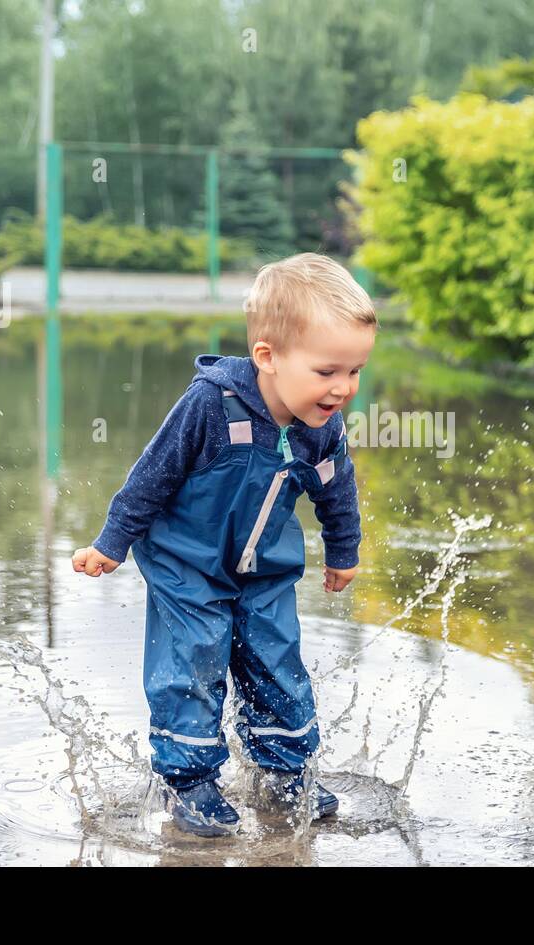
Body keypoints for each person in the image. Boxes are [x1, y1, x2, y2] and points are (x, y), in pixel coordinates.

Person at [71, 253, 376, 836]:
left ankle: (287, 772)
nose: (343, 388)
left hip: (264, 568)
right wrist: (113, 542)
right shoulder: (213, 404)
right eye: (327, 371)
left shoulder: (323, 428)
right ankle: (189, 783)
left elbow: (338, 493)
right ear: (268, 356)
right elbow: (153, 475)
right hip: (186, 563)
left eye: (355, 371)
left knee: (276, 656)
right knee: (195, 658)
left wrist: (343, 551)